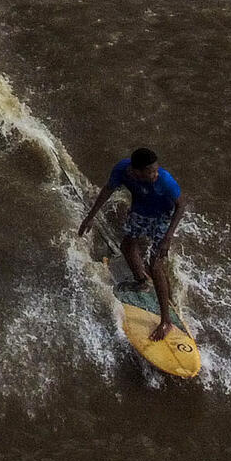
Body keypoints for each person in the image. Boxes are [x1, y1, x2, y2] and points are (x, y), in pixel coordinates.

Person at [77, 145, 184, 342]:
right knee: (127, 246)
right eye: (150, 172)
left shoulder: (165, 181)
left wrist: (168, 237)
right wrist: (90, 217)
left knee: (155, 263)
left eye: (156, 170)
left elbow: (180, 206)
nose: (154, 174)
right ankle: (142, 282)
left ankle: (166, 321)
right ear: (136, 171)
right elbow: (107, 190)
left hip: (162, 218)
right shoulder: (122, 171)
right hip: (140, 212)